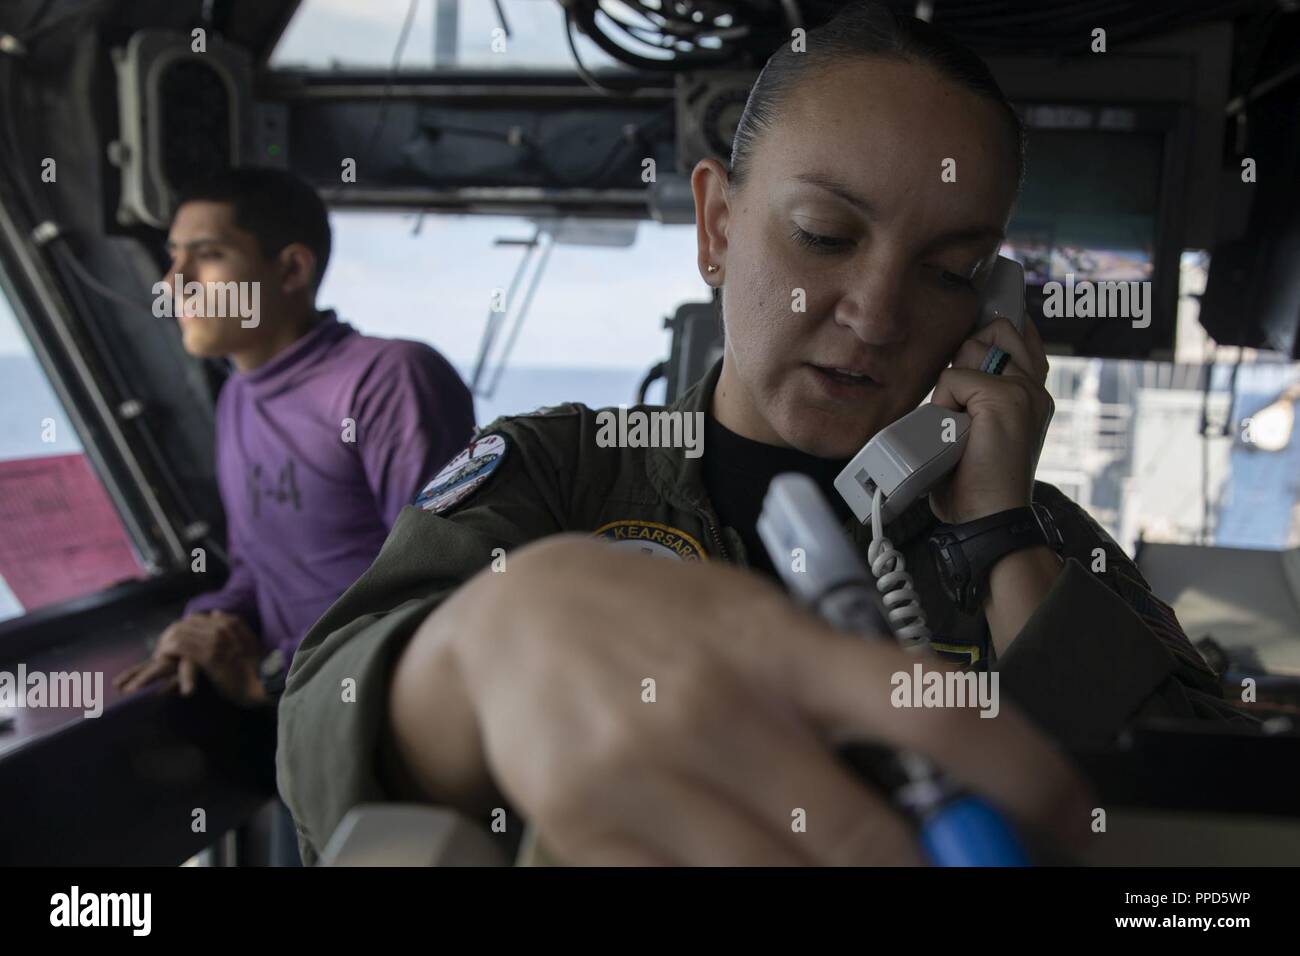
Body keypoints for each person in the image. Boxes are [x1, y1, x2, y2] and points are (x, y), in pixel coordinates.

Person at [277, 4, 1251, 867]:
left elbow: (1220, 838)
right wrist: (474, 654)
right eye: (825, 234)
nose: (876, 314)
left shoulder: (1042, 538)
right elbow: (318, 739)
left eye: (950, 271)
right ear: (716, 227)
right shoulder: (555, 475)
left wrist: (1002, 545)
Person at [114, 167, 475, 706]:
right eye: (174, 256)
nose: (173, 283)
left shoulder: (389, 379)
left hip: (380, 710)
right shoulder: (238, 396)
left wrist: (272, 678)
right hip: (294, 704)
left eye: (208, 255)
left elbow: (437, 585)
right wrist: (206, 624)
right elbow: (259, 569)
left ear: (291, 269)